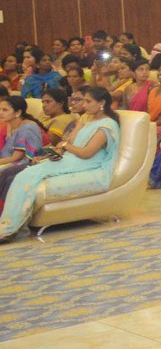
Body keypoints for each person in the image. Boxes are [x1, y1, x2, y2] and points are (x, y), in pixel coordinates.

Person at [0, 86, 117, 241]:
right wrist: (60, 149)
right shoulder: (87, 119)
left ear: (101, 102)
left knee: (26, 175)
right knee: (24, 173)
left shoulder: (107, 125)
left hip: (86, 162)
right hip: (71, 157)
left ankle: (11, 228)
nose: (84, 105)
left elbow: (87, 153)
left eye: (88, 101)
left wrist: (65, 146)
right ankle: (9, 222)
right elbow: (70, 141)